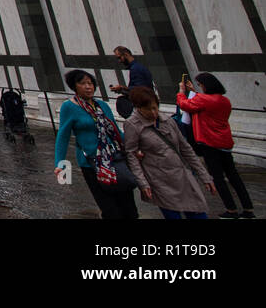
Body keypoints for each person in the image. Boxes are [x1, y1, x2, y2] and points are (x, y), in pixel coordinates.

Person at [54, 69, 138, 219]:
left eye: (90, 83)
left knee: (129, 207)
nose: (88, 87)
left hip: (115, 160)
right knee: (110, 209)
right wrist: (59, 163)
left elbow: (116, 131)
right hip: (91, 163)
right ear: (74, 86)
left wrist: (135, 147)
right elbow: (63, 135)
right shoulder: (69, 107)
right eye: (83, 83)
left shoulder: (101, 105)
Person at [123, 86, 214, 219]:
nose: (153, 112)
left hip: (181, 175)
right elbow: (131, 155)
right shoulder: (132, 124)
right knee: (173, 215)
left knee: (197, 213)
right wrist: (143, 183)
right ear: (138, 107)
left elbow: (186, 148)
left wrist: (204, 175)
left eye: (155, 107)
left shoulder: (167, 120)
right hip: (159, 179)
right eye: (148, 109)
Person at [177, 73, 254, 219]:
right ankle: (248, 208)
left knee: (217, 177)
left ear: (206, 85)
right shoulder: (225, 101)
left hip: (209, 142)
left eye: (201, 85)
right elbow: (206, 103)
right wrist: (195, 92)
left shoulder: (204, 100)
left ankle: (231, 209)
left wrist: (181, 91)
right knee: (233, 175)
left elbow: (184, 105)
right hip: (224, 141)